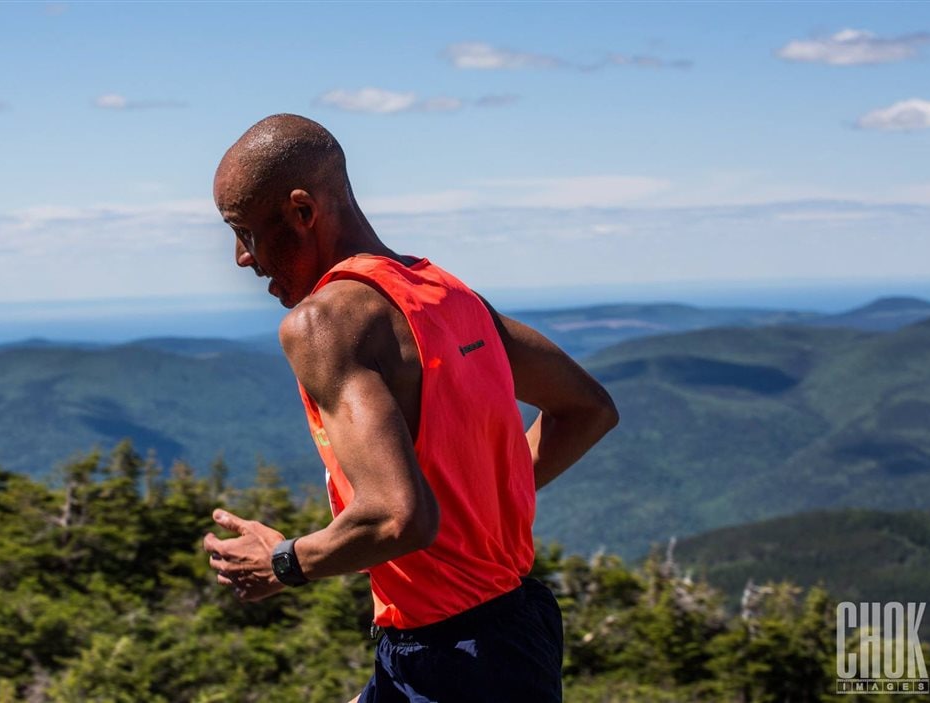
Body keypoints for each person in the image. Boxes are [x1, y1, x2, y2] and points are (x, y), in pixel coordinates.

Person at [202, 114, 619, 702]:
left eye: (244, 231)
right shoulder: (449, 297)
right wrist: (478, 503)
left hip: (449, 658)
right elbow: (588, 409)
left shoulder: (324, 322)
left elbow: (397, 519)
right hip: (516, 627)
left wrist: (283, 562)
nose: (242, 258)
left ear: (302, 212)